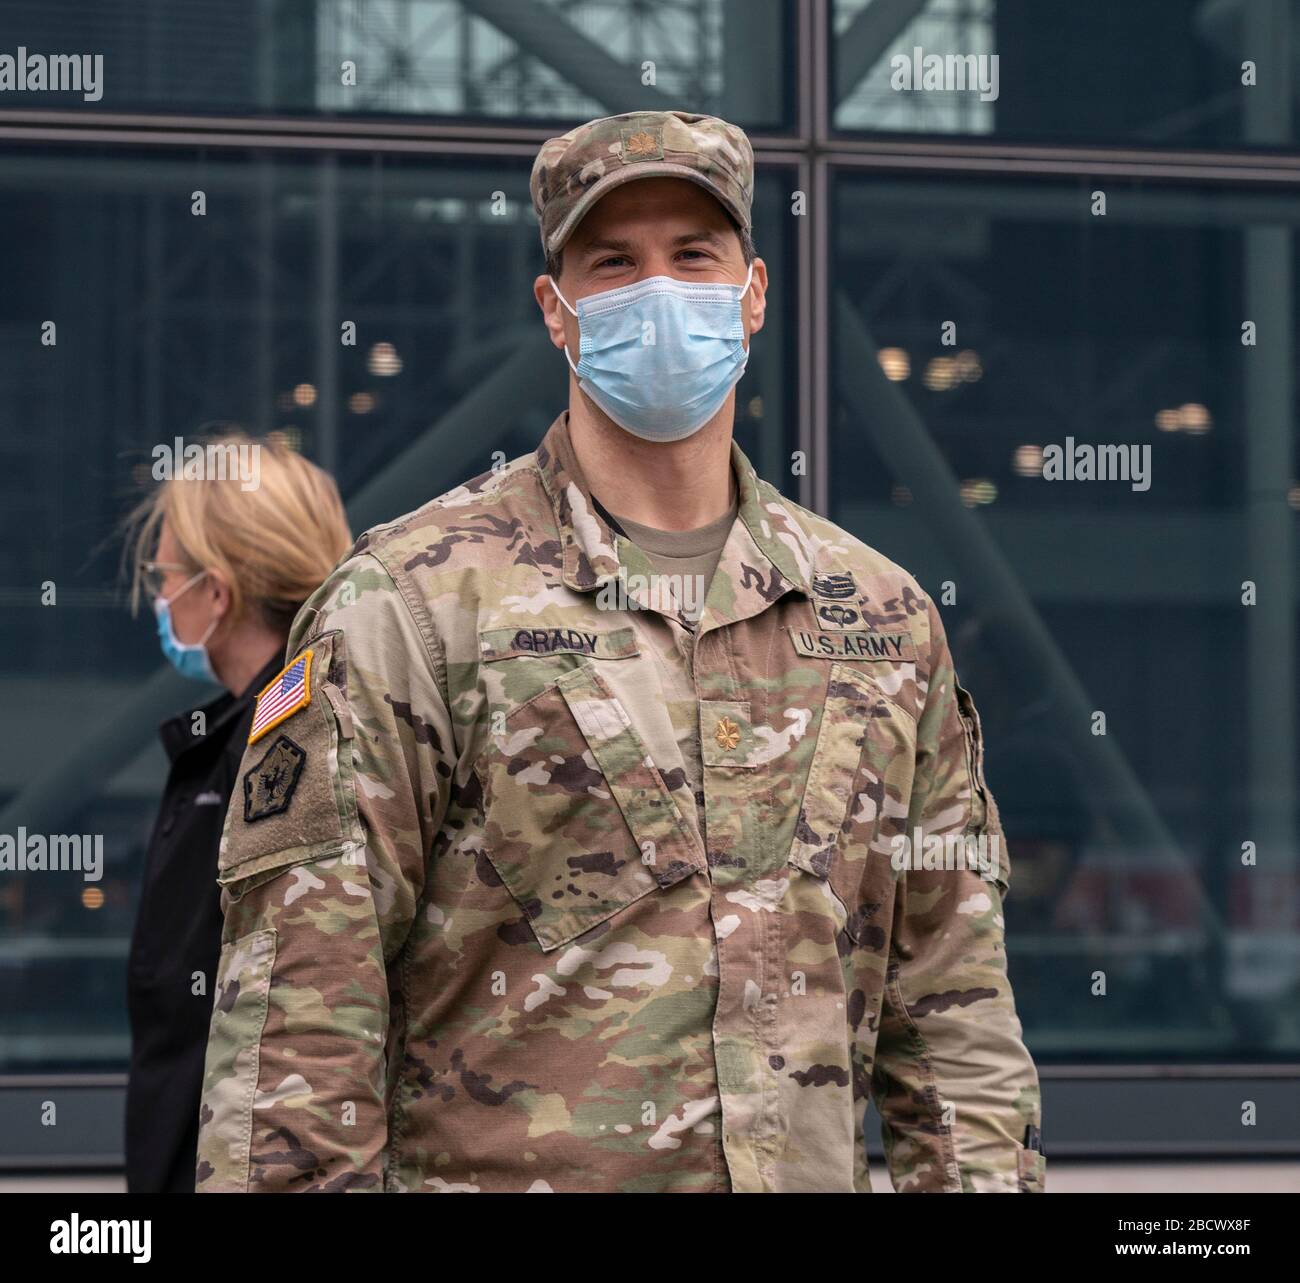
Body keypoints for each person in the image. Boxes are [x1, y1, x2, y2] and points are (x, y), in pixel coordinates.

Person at [196, 110, 1045, 1194]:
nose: (659, 290)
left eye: (693, 255)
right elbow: (296, 1039)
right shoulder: (408, 606)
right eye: (614, 262)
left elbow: (954, 1013)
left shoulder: (878, 620)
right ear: (557, 311)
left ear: (752, 293)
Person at [122, 432, 350, 1193]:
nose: (158, 599)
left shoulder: (277, 747)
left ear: (216, 595)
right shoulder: (255, 734)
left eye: (166, 578)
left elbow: (284, 1031)